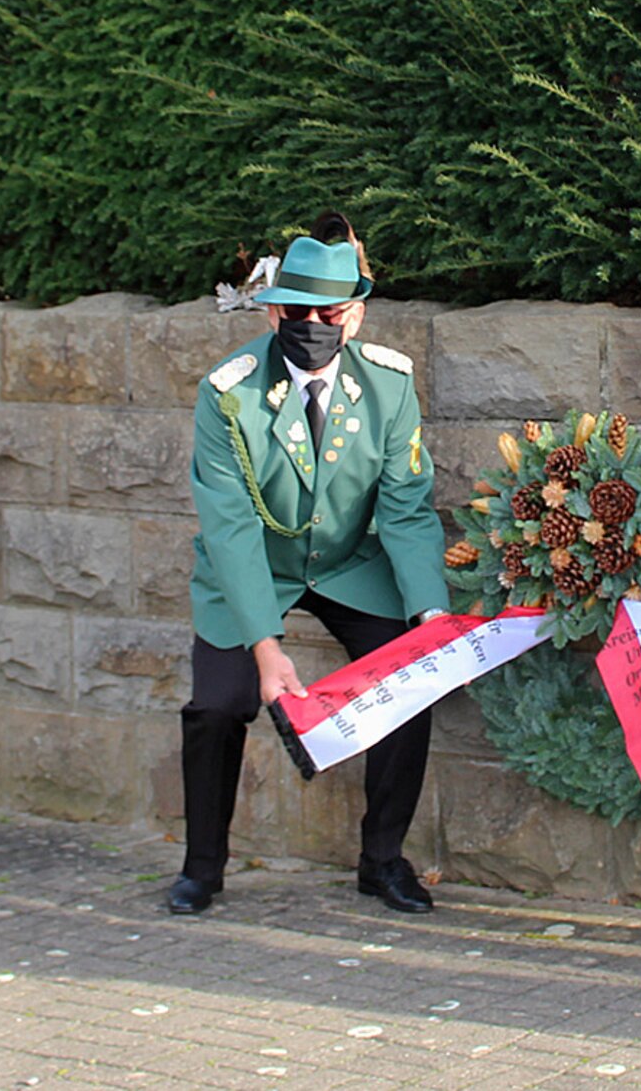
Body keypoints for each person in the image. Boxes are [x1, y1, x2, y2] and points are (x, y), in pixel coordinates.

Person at [169, 215, 450, 917]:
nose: (315, 324)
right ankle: (203, 866)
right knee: (219, 704)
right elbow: (230, 528)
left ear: (356, 313)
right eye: (299, 311)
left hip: (349, 564)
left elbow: (407, 509)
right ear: (272, 310)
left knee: (409, 680)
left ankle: (382, 859)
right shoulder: (227, 392)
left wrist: (431, 618)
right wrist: (266, 648)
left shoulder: (388, 385)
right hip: (255, 569)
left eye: (332, 311)